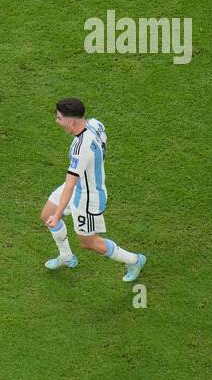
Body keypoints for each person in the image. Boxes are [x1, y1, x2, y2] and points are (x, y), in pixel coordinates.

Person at [41, 97, 145, 280]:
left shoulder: (80, 149)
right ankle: (66, 256)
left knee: (89, 243)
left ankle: (134, 260)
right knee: (46, 214)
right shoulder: (95, 124)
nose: (57, 121)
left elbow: (71, 185)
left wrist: (58, 215)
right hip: (79, 185)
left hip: (88, 198)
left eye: (59, 117)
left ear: (71, 121)